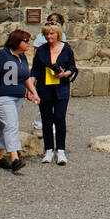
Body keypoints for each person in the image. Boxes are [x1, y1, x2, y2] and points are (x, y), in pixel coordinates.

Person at [0, 29, 39, 172]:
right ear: (17, 41)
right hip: (3, 96)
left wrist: (33, 92)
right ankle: (15, 157)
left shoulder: (22, 57)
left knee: (4, 126)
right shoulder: (2, 55)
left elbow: (26, 77)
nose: (29, 43)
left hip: (17, 97)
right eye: (26, 41)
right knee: (11, 124)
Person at [31, 19, 76, 165]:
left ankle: (61, 150)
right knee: (46, 119)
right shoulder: (42, 50)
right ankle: (49, 149)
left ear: (58, 34)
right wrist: (31, 87)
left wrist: (65, 74)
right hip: (45, 88)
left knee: (59, 117)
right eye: (47, 34)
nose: (49, 37)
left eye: (52, 34)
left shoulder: (66, 48)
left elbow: (72, 67)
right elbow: (35, 70)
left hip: (61, 87)